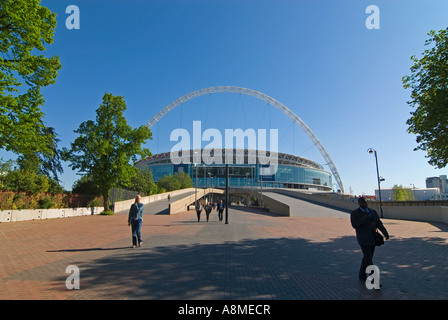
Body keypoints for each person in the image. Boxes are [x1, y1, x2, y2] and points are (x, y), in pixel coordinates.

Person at [350, 197, 389, 281]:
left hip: (373, 238)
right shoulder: (355, 213)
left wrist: (385, 233)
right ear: (359, 203)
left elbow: (379, 224)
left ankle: (362, 274)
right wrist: (363, 219)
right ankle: (375, 280)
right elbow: (355, 225)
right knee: (369, 260)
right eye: (362, 202)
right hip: (363, 239)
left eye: (365, 202)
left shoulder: (372, 212)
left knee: (368, 257)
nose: (364, 204)